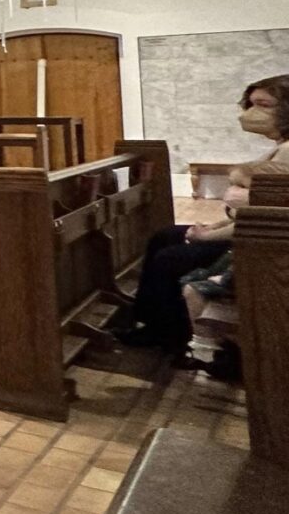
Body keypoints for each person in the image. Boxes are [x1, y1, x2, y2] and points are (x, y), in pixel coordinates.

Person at [121, 74, 289, 352]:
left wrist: (207, 237)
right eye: (250, 104)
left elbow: (268, 216)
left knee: (169, 257)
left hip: (263, 245)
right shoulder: (281, 147)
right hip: (248, 232)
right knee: (164, 236)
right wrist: (213, 227)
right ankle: (149, 322)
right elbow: (246, 207)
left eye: (264, 105)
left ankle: (168, 335)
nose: (252, 113)